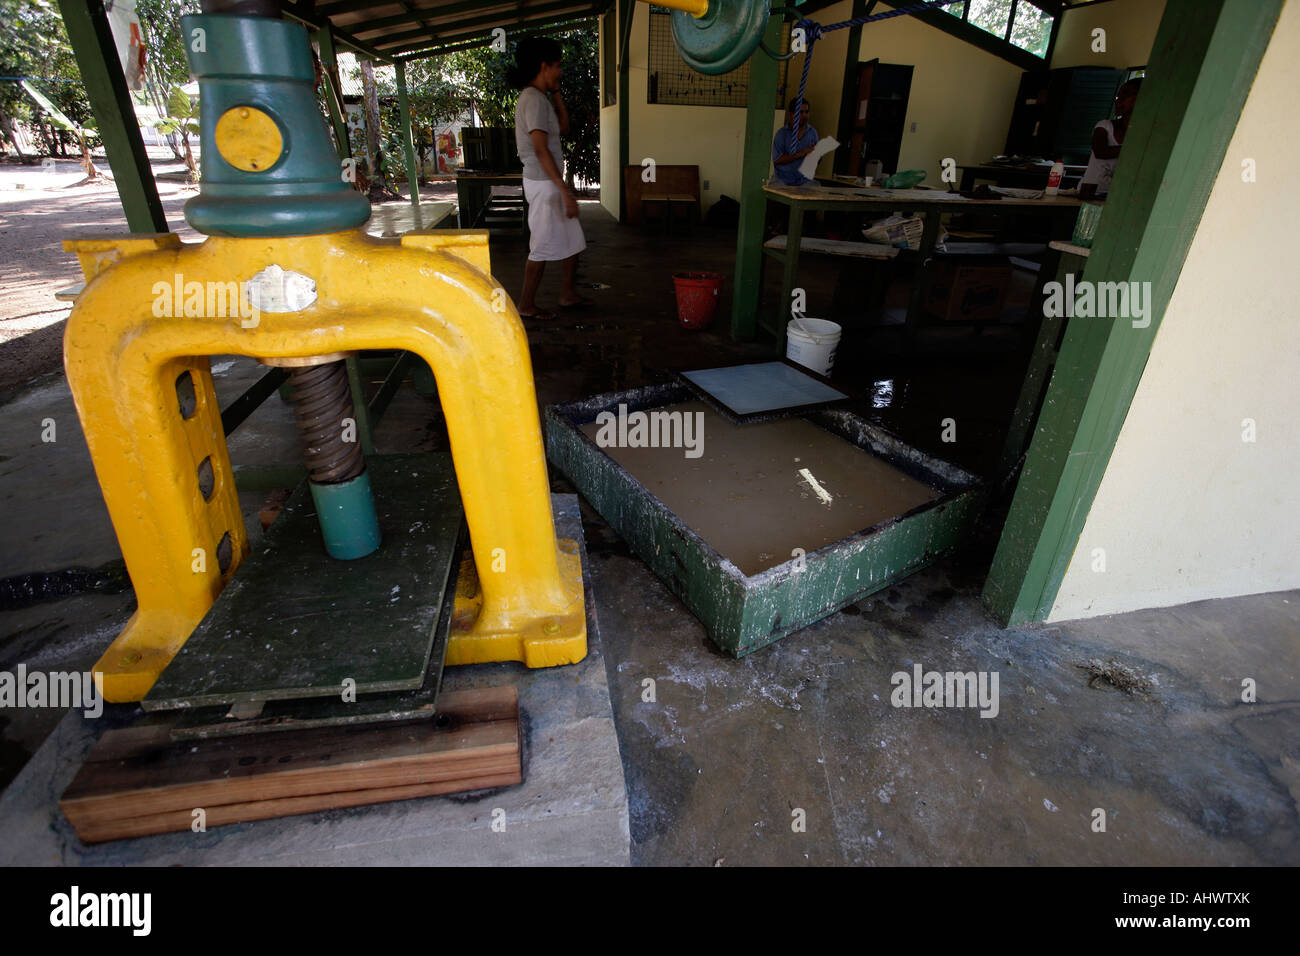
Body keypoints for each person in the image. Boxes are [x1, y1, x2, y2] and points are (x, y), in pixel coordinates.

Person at [511, 36, 591, 320]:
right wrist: (565, 192)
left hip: (549, 181)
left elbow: (564, 128)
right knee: (541, 245)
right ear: (544, 66)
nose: (561, 71)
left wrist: (556, 93)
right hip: (543, 183)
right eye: (557, 66)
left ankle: (567, 294)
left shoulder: (541, 98)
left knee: (573, 239)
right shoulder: (532, 99)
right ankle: (526, 304)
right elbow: (541, 149)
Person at [1079, 78, 1143, 200]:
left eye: (1125, 97)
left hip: (1117, 195)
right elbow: (1100, 151)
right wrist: (1134, 149)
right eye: (1118, 97)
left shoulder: (1142, 133)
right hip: (1090, 192)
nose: (1118, 102)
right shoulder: (1103, 126)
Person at [772, 97, 819, 186]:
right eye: (800, 112)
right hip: (783, 179)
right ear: (791, 114)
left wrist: (816, 155)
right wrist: (800, 154)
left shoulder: (812, 133)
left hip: (803, 180)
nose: (804, 115)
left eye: (806, 112)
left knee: (816, 189)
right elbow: (776, 159)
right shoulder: (782, 134)